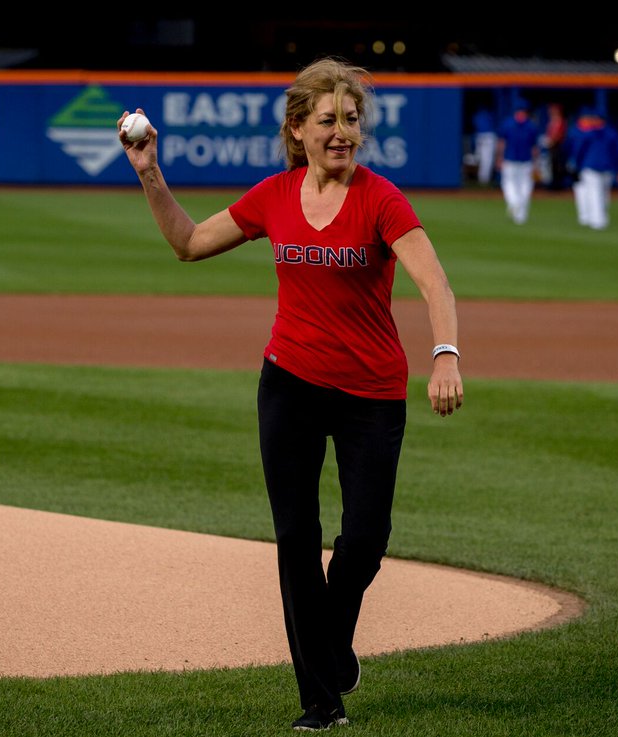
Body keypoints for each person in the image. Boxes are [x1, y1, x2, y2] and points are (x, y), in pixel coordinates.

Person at [117, 57, 463, 732]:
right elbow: (189, 243)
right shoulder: (274, 195)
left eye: (352, 120)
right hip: (290, 385)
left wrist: (445, 355)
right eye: (328, 120)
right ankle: (320, 700)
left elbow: (435, 284)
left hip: (371, 391)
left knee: (364, 539)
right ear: (298, 128)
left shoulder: (381, 199)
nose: (342, 133)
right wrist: (149, 173)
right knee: (294, 538)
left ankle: (331, 641)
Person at [571, 108, 618, 230]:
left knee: (596, 194)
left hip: (592, 167)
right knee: (602, 194)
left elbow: (580, 152)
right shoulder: (611, 134)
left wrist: (577, 165)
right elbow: (617, 154)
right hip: (604, 168)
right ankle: (600, 219)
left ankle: (597, 220)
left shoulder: (589, 134)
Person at [495, 98, 541, 225]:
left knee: (509, 184)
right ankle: (521, 215)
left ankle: (514, 204)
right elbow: (535, 148)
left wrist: (499, 158)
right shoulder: (531, 126)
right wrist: (536, 163)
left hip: (511, 160)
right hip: (525, 161)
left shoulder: (508, 123)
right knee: (525, 187)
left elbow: (501, 143)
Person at [543, 102, 568, 191]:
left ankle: (559, 185)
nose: (551, 112)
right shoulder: (552, 121)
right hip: (551, 147)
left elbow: (560, 135)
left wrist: (552, 141)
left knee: (558, 166)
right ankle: (553, 184)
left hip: (558, 147)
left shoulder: (561, 121)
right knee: (551, 166)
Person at [471, 107, 496, 185]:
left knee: (485, 160)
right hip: (485, 137)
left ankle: (483, 180)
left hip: (484, 137)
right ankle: (483, 179)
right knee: (483, 160)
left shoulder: (486, 114)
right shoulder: (482, 115)